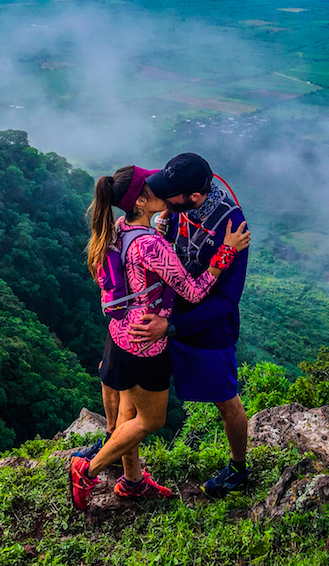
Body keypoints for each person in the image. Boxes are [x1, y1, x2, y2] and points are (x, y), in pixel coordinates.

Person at [69, 164, 250, 511]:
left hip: (123, 333)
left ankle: (133, 481)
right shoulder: (150, 241)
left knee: (131, 409)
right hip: (149, 339)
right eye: (154, 190)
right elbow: (195, 291)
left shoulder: (118, 226)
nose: (161, 193)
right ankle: (88, 469)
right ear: (140, 200)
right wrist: (225, 251)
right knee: (150, 420)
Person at [130, 153, 251, 498]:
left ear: (194, 196)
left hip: (204, 330)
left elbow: (227, 300)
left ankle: (238, 469)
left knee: (226, 401)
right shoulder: (180, 209)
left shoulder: (232, 227)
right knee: (134, 381)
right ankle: (116, 443)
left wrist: (172, 326)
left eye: (171, 194)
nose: (164, 199)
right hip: (166, 316)